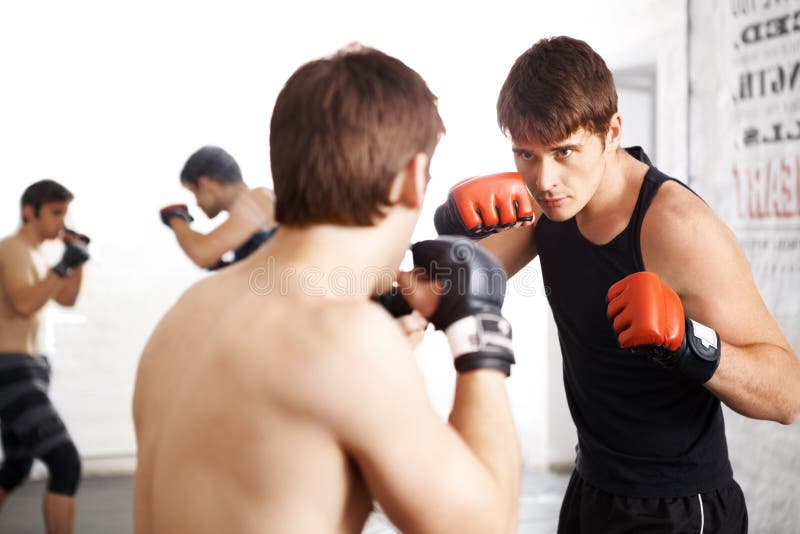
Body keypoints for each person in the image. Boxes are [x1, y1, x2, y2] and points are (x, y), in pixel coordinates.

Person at [133, 45, 521, 534]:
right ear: (410, 179)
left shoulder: (186, 314)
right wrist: (478, 326)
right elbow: (484, 526)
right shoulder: (345, 339)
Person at [434, 35, 800, 533]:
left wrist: (689, 342)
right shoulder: (547, 200)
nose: (544, 179)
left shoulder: (677, 228)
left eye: (565, 151)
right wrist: (452, 234)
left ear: (612, 132)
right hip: (591, 489)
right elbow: (446, 287)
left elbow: (787, 395)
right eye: (525, 154)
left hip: (678, 507)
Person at [0, 179, 88, 534]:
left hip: (32, 366)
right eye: (55, 213)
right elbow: (23, 304)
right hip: (10, 368)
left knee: (17, 467)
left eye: (65, 213)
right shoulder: (12, 249)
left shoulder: (38, 254)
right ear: (29, 212)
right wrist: (63, 266)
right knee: (65, 462)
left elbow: (66, 299)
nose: (62, 222)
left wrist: (76, 262)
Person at [160, 145, 277, 270]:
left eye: (194, 192)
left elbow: (201, 253)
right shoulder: (254, 207)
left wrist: (175, 217)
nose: (197, 203)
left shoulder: (260, 198)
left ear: (204, 183)